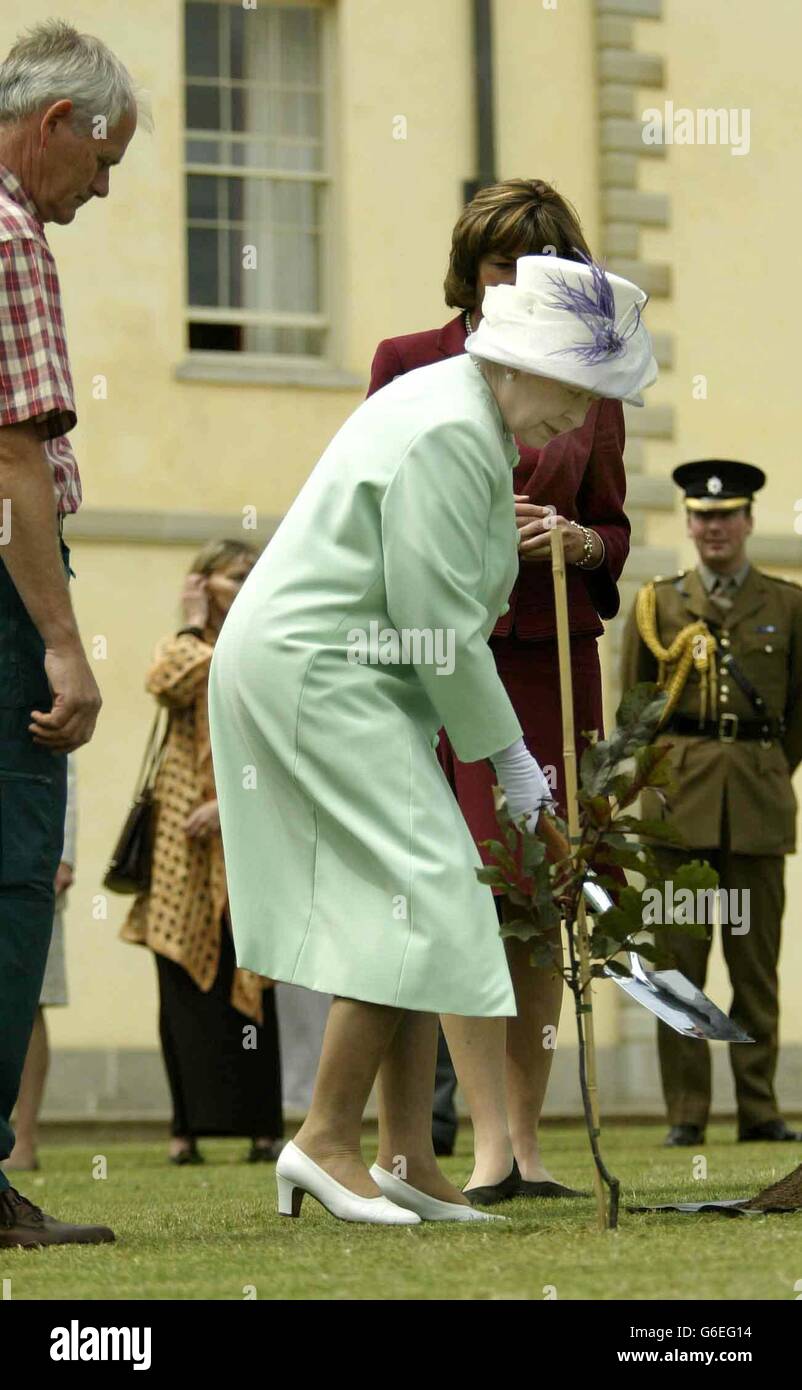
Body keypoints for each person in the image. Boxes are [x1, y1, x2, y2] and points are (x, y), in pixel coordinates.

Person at [208, 252, 656, 1225]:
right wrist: (512, 763)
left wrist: (507, 761)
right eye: (578, 390)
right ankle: (323, 1141)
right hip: (323, 671)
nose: (581, 419)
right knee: (428, 885)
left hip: (354, 672)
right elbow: (434, 620)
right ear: (523, 360)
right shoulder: (453, 427)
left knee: (411, 888)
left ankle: (406, 1156)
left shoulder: (463, 413)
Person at [368, 179, 630, 1198]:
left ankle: (525, 1143)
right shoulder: (409, 363)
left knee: (541, 896)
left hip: (551, 655)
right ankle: (477, 1144)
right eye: (498, 271)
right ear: (469, 274)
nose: (516, 288)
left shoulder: (590, 385)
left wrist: (577, 541)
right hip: (444, 658)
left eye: (538, 273)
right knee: (460, 888)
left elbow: (611, 526)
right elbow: (379, 491)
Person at [0, 20, 145, 1249]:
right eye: (101, 162)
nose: (99, 191)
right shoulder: (10, 236)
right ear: (55, 127)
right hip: (1, 602)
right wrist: (61, 639)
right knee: (10, 871)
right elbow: (11, 456)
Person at [619, 459, 802, 1147]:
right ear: (689, 524)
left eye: (726, 516)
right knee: (678, 970)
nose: (713, 527)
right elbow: (634, 712)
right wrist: (657, 787)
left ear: (748, 520)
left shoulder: (787, 605)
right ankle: (686, 1115)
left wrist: (766, 768)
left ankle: (759, 1110)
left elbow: (798, 713)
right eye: (701, 516)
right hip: (679, 810)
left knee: (755, 968)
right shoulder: (657, 604)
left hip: (756, 811)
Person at [121, 541, 284, 1165]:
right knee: (181, 979)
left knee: (252, 972)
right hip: (179, 852)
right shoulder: (188, 646)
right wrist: (190, 621)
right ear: (203, 584)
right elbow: (164, 680)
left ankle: (261, 1127)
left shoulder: (263, 644)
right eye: (233, 578)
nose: (245, 587)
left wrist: (231, 807)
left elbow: (265, 709)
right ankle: (185, 1128)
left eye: (250, 577)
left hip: (246, 836)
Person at [1, 758, 77, 1173]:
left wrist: (64, 856)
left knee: (32, 1000)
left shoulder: (44, 691)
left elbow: (66, 766)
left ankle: (24, 1140)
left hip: (32, 852)